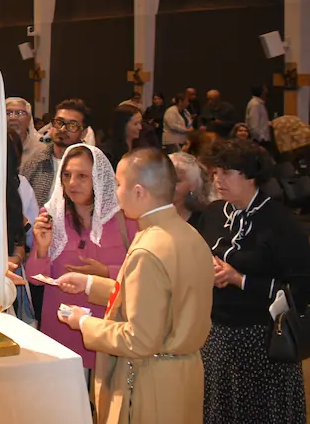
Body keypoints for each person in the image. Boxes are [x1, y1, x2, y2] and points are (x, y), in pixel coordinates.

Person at [55, 149, 214, 424]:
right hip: (185, 373)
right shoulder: (190, 235)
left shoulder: (149, 249)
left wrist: (84, 323)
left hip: (151, 379)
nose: (115, 193)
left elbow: (138, 338)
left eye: (118, 185)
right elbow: (160, 300)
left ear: (139, 192)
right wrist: (90, 283)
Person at [197, 139, 309, 424]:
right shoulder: (212, 214)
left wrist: (240, 279)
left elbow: (300, 288)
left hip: (264, 338)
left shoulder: (280, 222)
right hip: (218, 335)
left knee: (262, 414)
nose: (217, 179)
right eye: (215, 172)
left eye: (226, 172)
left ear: (250, 175)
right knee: (221, 412)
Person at [26, 144, 136, 370]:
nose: (72, 183)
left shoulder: (126, 219)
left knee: (101, 403)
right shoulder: (50, 216)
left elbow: (140, 276)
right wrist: (42, 248)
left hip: (105, 328)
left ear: (99, 179)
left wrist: (105, 273)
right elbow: (36, 279)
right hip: (60, 326)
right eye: (66, 175)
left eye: (82, 176)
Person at [20, 98, 89, 207]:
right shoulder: (34, 163)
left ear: (84, 132)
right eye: (59, 122)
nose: (62, 129)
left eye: (72, 125)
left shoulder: (92, 166)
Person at [168, 151, 210, 227]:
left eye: (177, 180)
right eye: (165, 178)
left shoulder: (204, 221)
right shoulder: (146, 217)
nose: (169, 184)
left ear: (193, 185)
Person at [100, 104, 144, 170]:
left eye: (140, 123)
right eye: (136, 124)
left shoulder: (141, 146)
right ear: (123, 125)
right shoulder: (108, 152)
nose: (140, 127)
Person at [6, 97, 41, 167]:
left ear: (29, 119)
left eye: (20, 113)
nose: (13, 117)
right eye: (8, 113)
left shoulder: (41, 151)